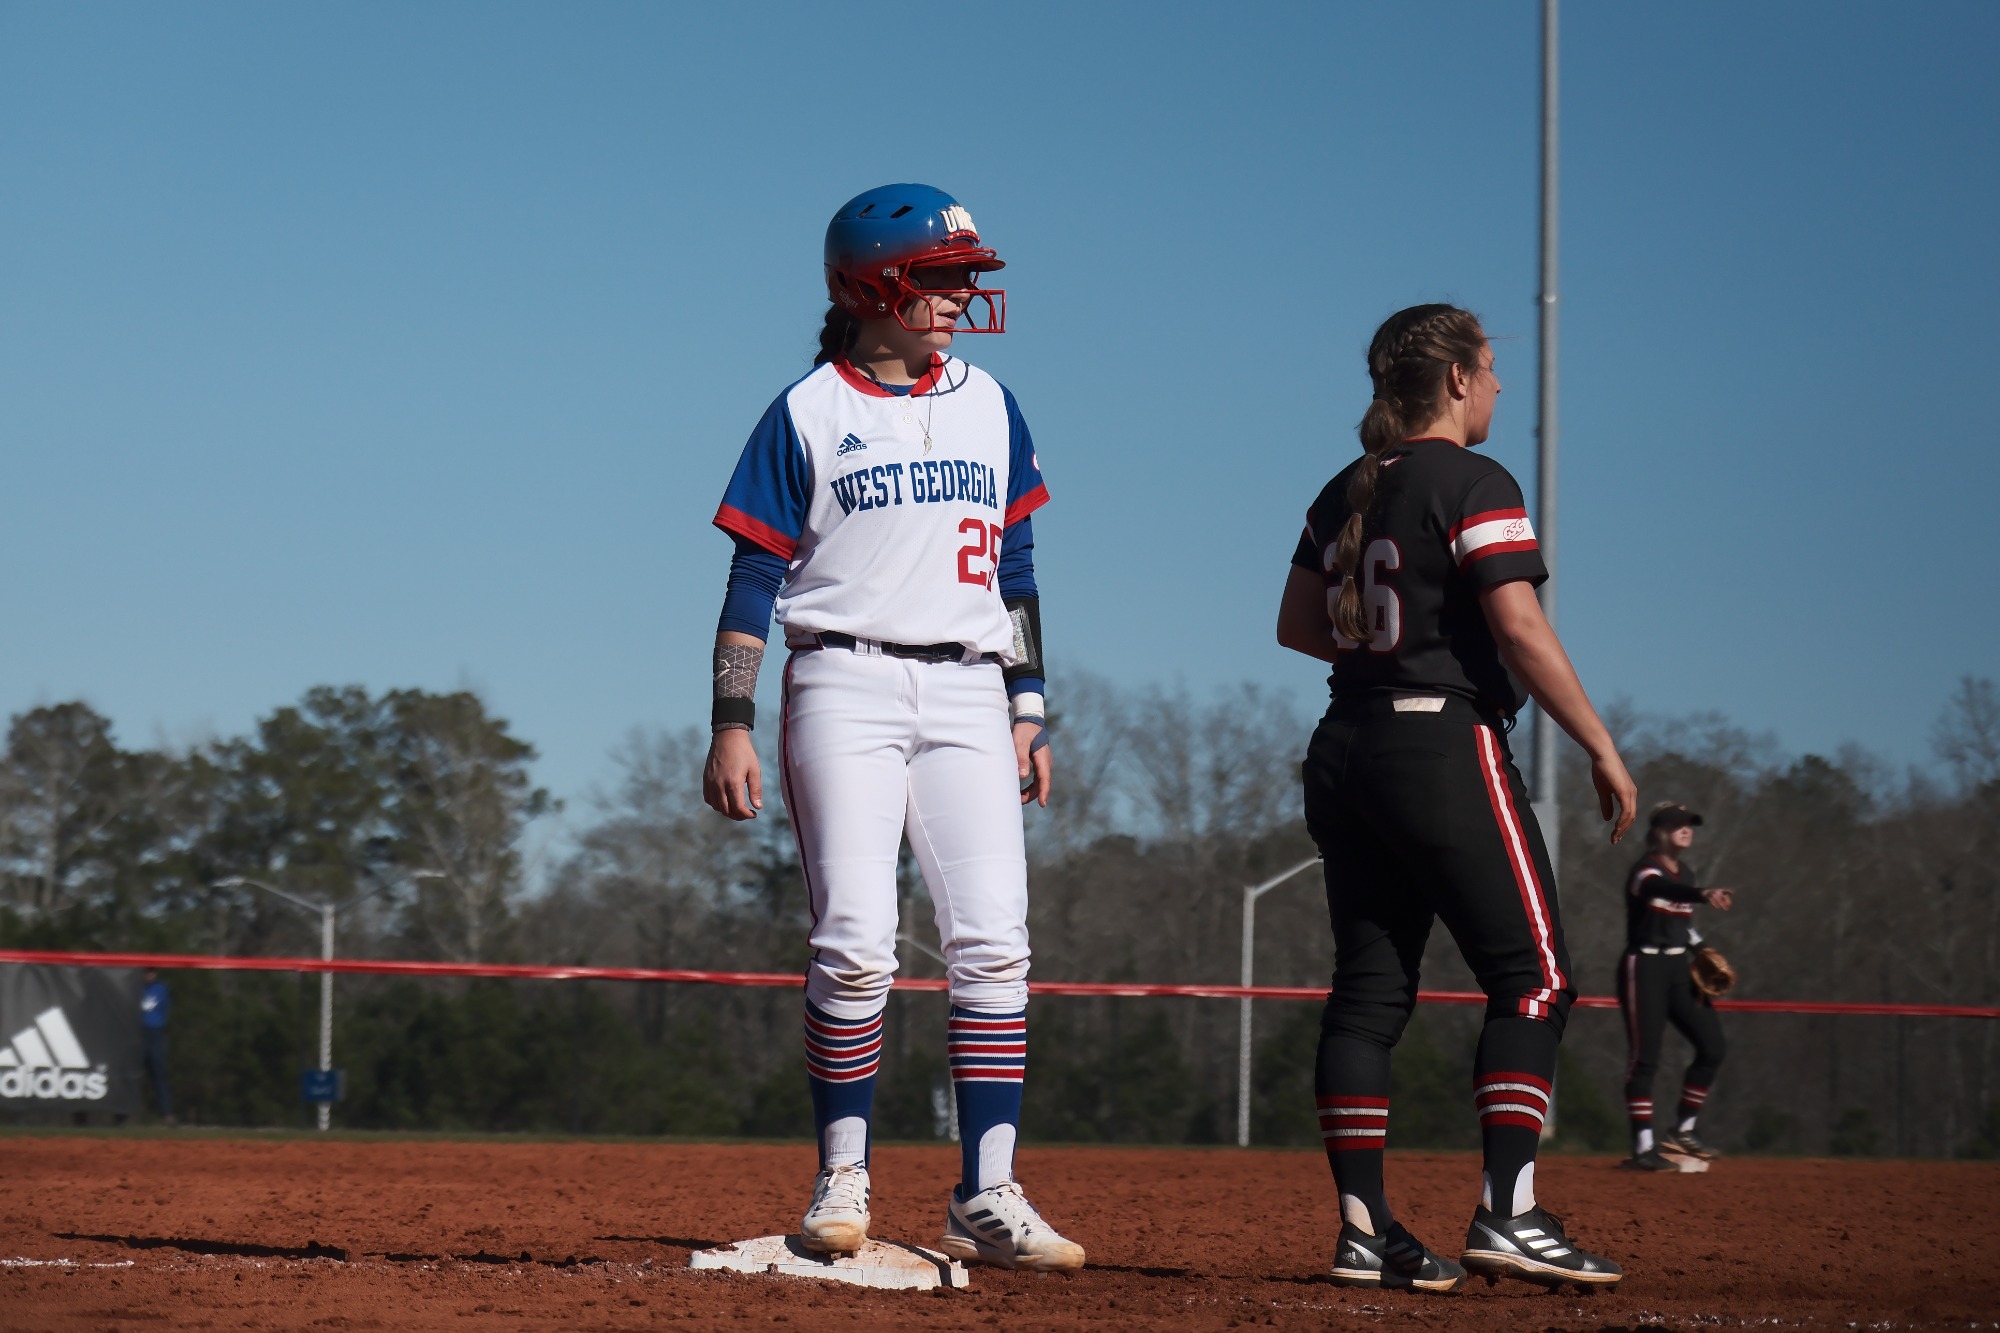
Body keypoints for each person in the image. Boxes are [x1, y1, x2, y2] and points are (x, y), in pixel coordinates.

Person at [700, 183, 1082, 1273]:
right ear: (872, 286)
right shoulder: (807, 410)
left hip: (969, 689)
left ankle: (989, 1190)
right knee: (858, 941)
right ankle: (842, 1171)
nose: (961, 293)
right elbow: (752, 573)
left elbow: (1013, 566)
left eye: (963, 274)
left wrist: (1028, 704)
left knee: (995, 944)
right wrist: (731, 718)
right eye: (939, 275)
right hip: (843, 684)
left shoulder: (991, 402)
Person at [1276, 304, 1638, 1293]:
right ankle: (1509, 1213)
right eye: (1488, 369)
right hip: (1437, 744)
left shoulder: (1342, 487)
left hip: (1342, 744)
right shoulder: (1473, 480)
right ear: (1453, 380)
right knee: (1531, 978)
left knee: (1365, 997)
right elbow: (1517, 627)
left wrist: (1386, 648)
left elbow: (1297, 624)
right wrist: (1599, 743)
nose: (1495, 387)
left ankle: (1363, 1230)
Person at [1617, 802, 1734, 1169]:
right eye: (1677, 825)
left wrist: (1701, 948)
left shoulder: (1686, 872)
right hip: (1644, 967)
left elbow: (1683, 923)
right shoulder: (1644, 871)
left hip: (1678, 967)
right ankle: (1643, 1148)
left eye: (1690, 825)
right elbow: (1660, 889)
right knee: (1646, 1058)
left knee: (1712, 1046)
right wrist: (1701, 894)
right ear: (1659, 831)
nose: (1686, 830)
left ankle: (1683, 1129)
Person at [140, 968, 174, 1125]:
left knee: (159, 1075)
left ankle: (166, 1113)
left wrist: (160, 1026)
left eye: (151, 972)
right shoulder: (136, 988)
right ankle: (122, 1116)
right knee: (133, 1076)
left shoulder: (161, 989)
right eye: (146, 972)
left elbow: (165, 1010)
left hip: (155, 1033)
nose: (149, 975)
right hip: (138, 1033)